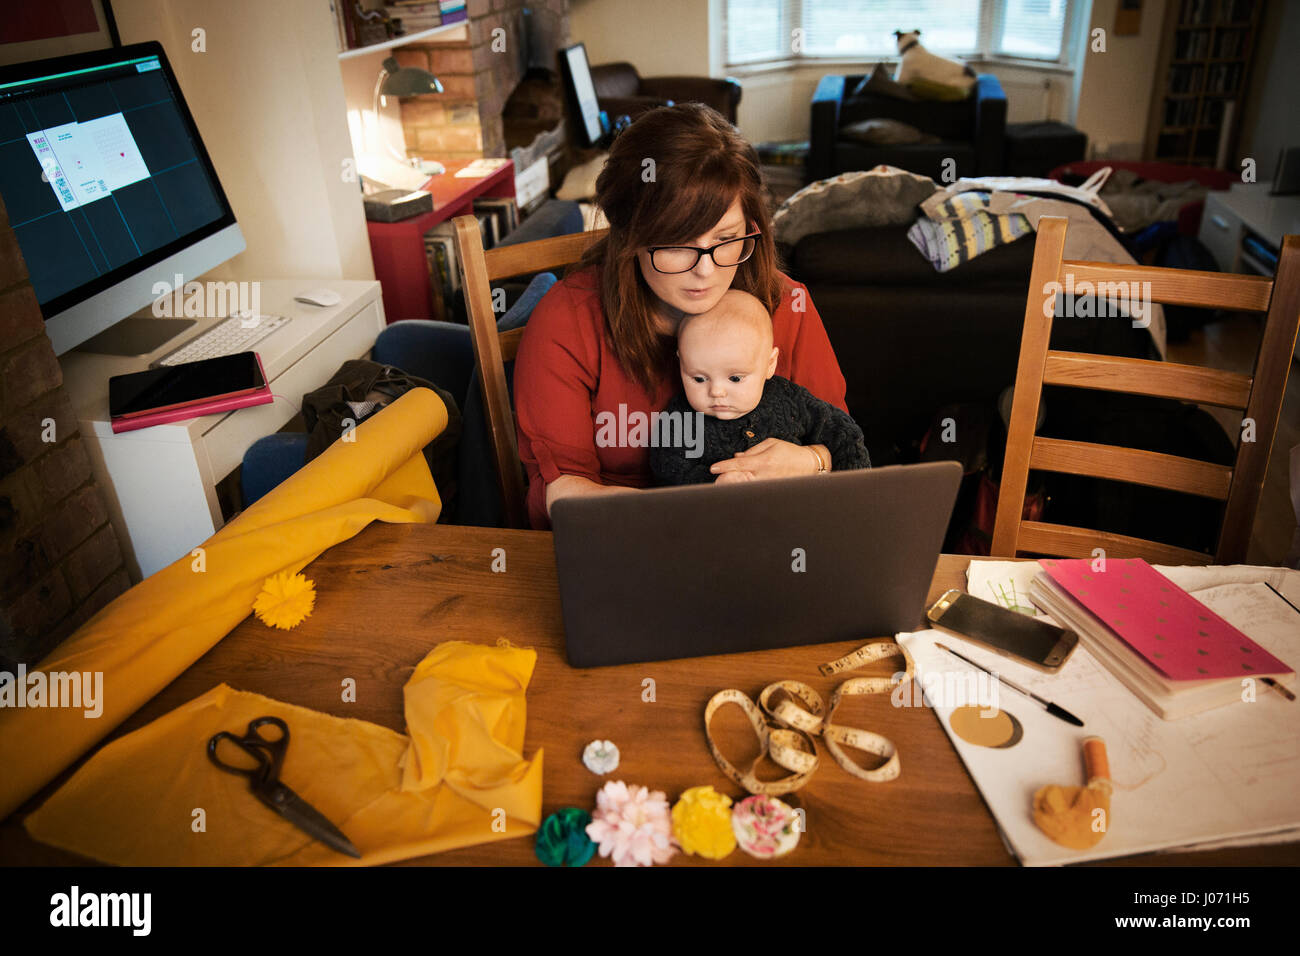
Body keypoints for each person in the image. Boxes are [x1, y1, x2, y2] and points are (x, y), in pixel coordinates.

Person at [513, 103, 850, 529]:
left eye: (726, 238)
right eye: (676, 243)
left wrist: (810, 463)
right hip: (622, 539)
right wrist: (697, 518)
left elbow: (840, 442)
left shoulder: (788, 304)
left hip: (772, 536)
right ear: (629, 237)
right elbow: (561, 493)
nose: (706, 270)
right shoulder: (567, 320)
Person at [649, 289, 870, 486]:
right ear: (681, 363)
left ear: (769, 364)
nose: (716, 391)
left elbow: (845, 434)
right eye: (699, 379)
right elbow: (667, 467)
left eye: (735, 378)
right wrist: (712, 483)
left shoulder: (790, 399)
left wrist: (856, 490)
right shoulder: (680, 418)